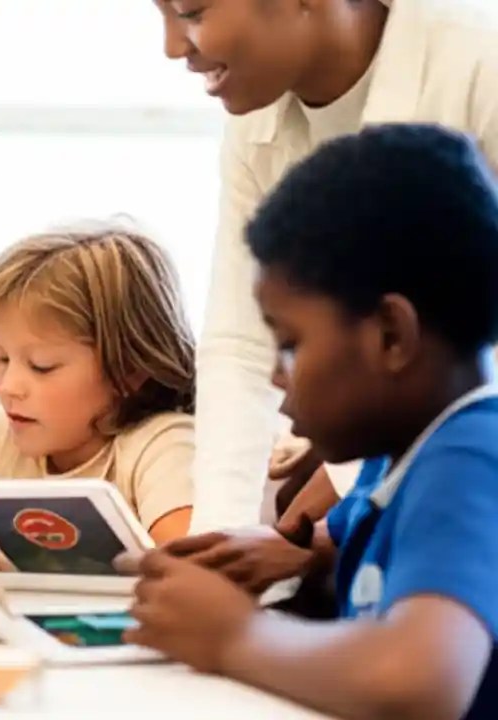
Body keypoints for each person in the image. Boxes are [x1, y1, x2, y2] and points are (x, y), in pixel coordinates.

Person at [126, 124, 498, 719]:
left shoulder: (470, 458)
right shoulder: (397, 460)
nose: (276, 375)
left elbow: (418, 681)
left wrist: (234, 637)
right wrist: (296, 553)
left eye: (291, 344)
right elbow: (365, 557)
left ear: (391, 336)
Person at [155, 0, 498, 531]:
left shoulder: (479, 63)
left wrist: (351, 487)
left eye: (192, 12)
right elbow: (241, 345)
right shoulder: (256, 124)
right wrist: (218, 541)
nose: (173, 47)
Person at [0, 224, 196, 544]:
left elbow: (191, 569)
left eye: (42, 366)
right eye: (0, 359)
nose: (8, 386)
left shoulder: (163, 446)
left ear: (129, 371)